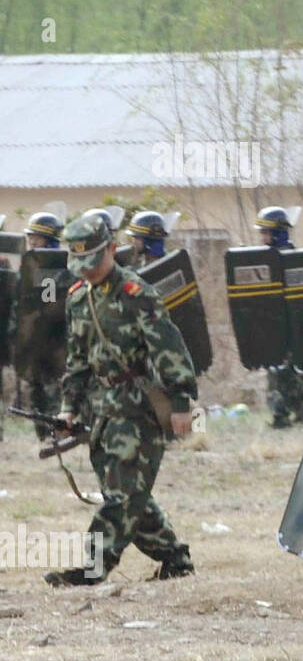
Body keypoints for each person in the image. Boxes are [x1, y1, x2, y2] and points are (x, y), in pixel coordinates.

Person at [45, 213, 197, 586]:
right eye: (79, 264)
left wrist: (181, 402)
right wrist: (69, 407)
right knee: (129, 494)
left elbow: (169, 348)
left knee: (122, 495)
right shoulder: (78, 297)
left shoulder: (137, 294)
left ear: (112, 249)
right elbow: (77, 360)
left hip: (139, 405)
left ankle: (94, 567)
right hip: (103, 409)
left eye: (93, 262)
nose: (88, 271)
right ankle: (175, 560)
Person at [10, 211, 68, 432]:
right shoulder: (34, 264)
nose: (32, 240)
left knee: (50, 390)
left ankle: (53, 434)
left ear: (50, 240)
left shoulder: (51, 268)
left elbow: (49, 307)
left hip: (50, 342)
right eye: (30, 236)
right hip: (34, 340)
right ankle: (42, 435)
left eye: (37, 236)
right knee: (35, 391)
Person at [256, 206, 303, 428]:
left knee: (284, 371)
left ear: (278, 232)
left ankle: (284, 415)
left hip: (290, 322)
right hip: (273, 323)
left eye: (267, 232)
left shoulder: (292, 257)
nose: (263, 237)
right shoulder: (264, 257)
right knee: (281, 371)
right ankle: (299, 411)